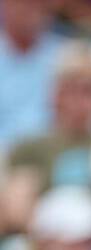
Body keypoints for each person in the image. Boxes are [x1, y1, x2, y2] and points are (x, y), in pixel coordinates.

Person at [2, 43, 91, 233]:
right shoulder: (31, 147)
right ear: (56, 95)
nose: (81, 101)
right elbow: (18, 211)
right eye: (72, 90)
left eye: (90, 92)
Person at [0, 0, 68, 155]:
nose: (32, 10)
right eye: (24, 3)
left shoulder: (68, 54)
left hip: (52, 155)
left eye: (40, 3)